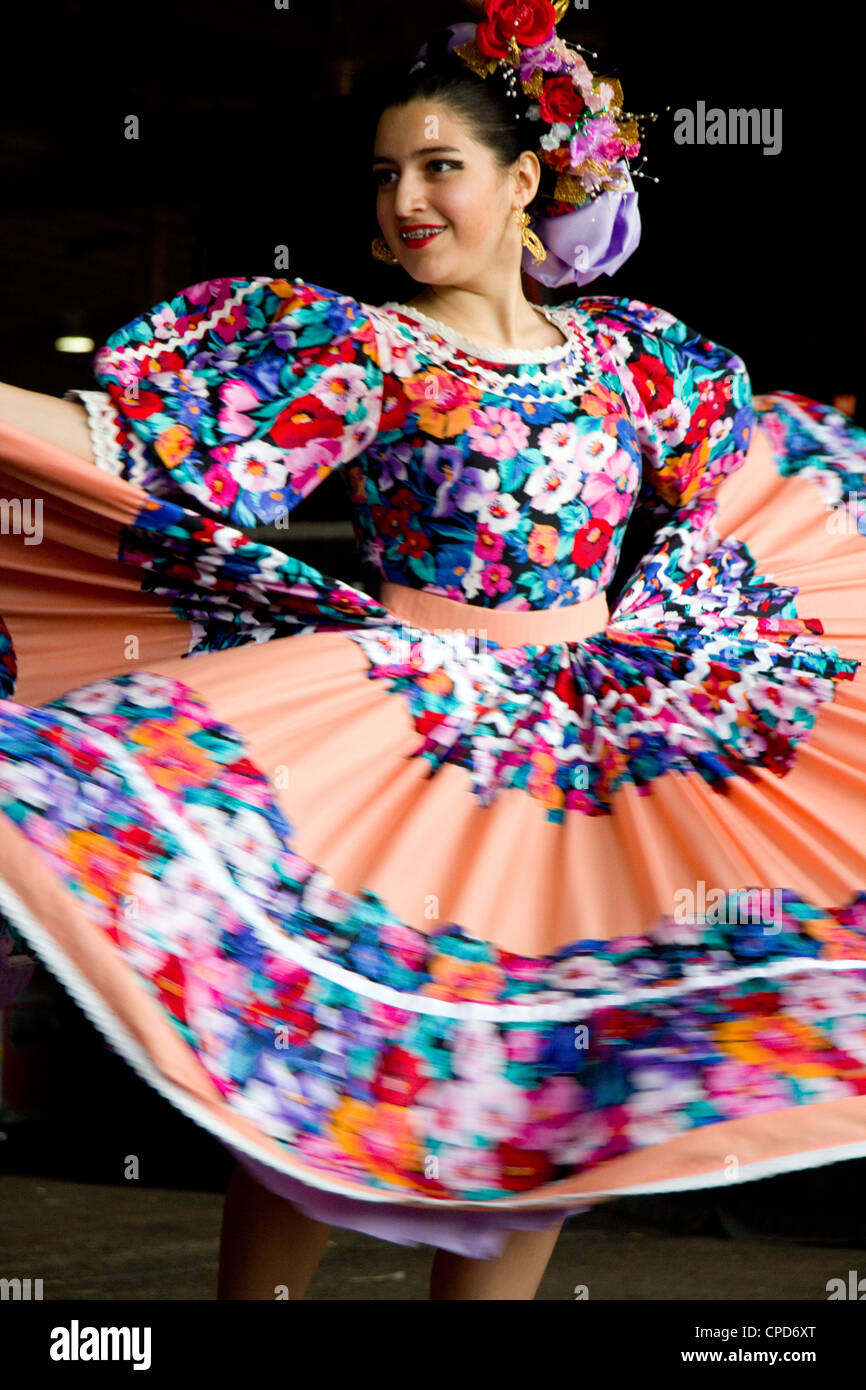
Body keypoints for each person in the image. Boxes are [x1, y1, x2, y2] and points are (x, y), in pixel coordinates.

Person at [2, 0, 866, 1302]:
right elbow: (140, 455)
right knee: (324, 1085)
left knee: (558, 1102)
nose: (405, 199)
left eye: (438, 167)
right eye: (386, 173)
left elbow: (742, 512)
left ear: (523, 181)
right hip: (407, 731)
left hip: (584, 756)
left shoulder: (642, 364)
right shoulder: (374, 349)